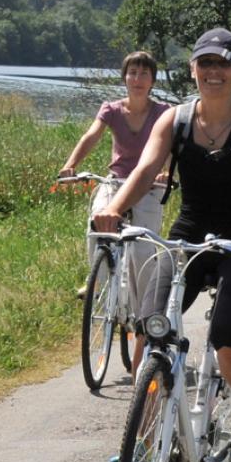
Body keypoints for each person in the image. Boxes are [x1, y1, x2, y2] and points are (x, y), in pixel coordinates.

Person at [92, 28, 231, 462]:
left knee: (226, 330)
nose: (214, 72)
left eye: (223, 63)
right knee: (152, 327)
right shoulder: (175, 120)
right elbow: (145, 170)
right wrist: (115, 209)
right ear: (193, 68)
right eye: (205, 63)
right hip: (189, 235)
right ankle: (146, 438)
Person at [58, 50, 168, 363]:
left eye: (144, 73)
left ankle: (144, 314)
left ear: (152, 80)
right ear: (124, 77)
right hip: (116, 181)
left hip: (148, 186)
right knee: (97, 222)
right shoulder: (111, 109)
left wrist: (165, 171)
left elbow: (171, 146)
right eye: (132, 73)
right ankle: (99, 283)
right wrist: (71, 164)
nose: (137, 79)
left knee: (143, 252)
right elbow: (91, 135)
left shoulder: (163, 112)